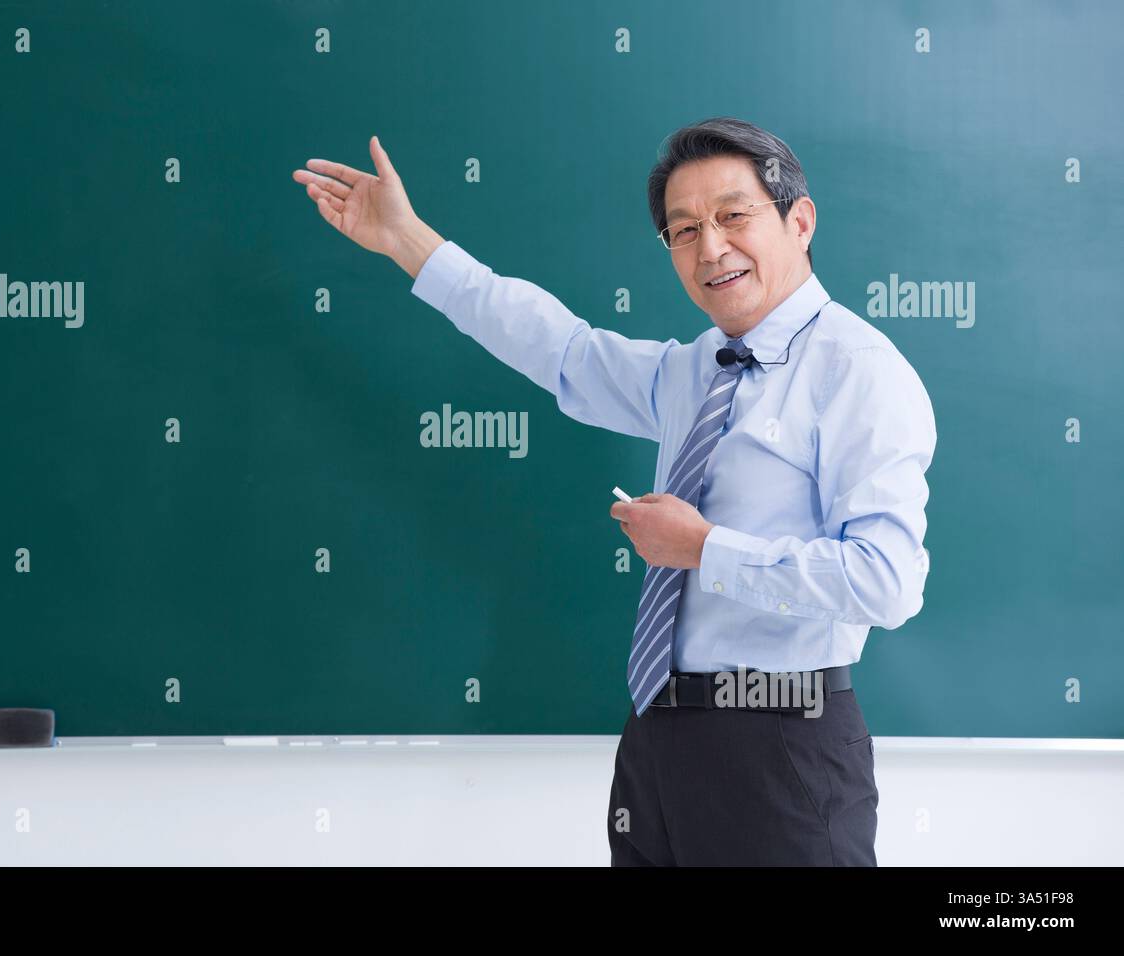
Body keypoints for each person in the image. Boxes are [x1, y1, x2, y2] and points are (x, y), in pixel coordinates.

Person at [291, 117, 936, 866]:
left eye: (733, 216)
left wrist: (703, 550)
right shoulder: (694, 370)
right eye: (683, 230)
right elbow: (558, 347)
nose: (711, 247)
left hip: (782, 744)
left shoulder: (857, 370)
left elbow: (888, 583)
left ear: (799, 220)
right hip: (659, 738)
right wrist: (409, 243)